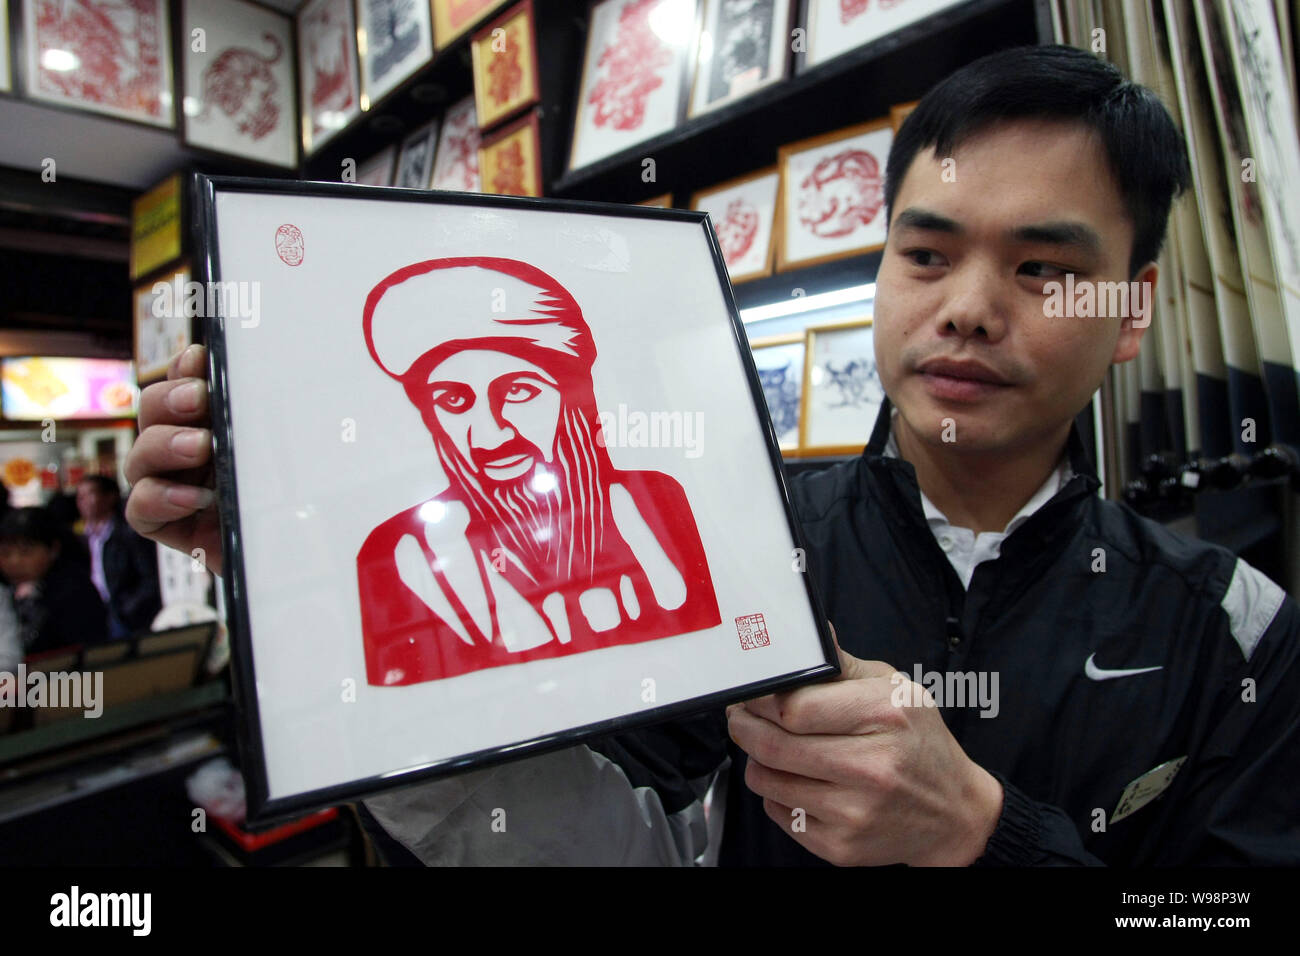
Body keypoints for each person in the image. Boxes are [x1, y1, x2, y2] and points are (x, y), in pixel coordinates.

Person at [124, 45, 1300, 866]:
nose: (968, 308)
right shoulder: (744, 535)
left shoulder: (1235, 623)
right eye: (927, 254)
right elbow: (609, 838)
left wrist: (981, 833)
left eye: (1040, 267)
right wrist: (301, 582)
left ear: (1131, 305)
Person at [357, 257, 720, 686]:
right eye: (454, 401)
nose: (489, 437)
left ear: (574, 399)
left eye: (518, 391)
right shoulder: (403, 552)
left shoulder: (654, 500)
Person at [0, 507, 108, 657]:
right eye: (5, 553)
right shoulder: (7, 591)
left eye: (26, 552)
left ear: (53, 549)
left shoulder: (75, 592)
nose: (15, 561)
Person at [76, 475, 162, 639]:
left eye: (90, 494)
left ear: (110, 497)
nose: (82, 500)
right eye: (79, 496)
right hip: (95, 611)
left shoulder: (128, 534)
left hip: (122, 613)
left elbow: (150, 578)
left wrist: (127, 609)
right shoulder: (82, 538)